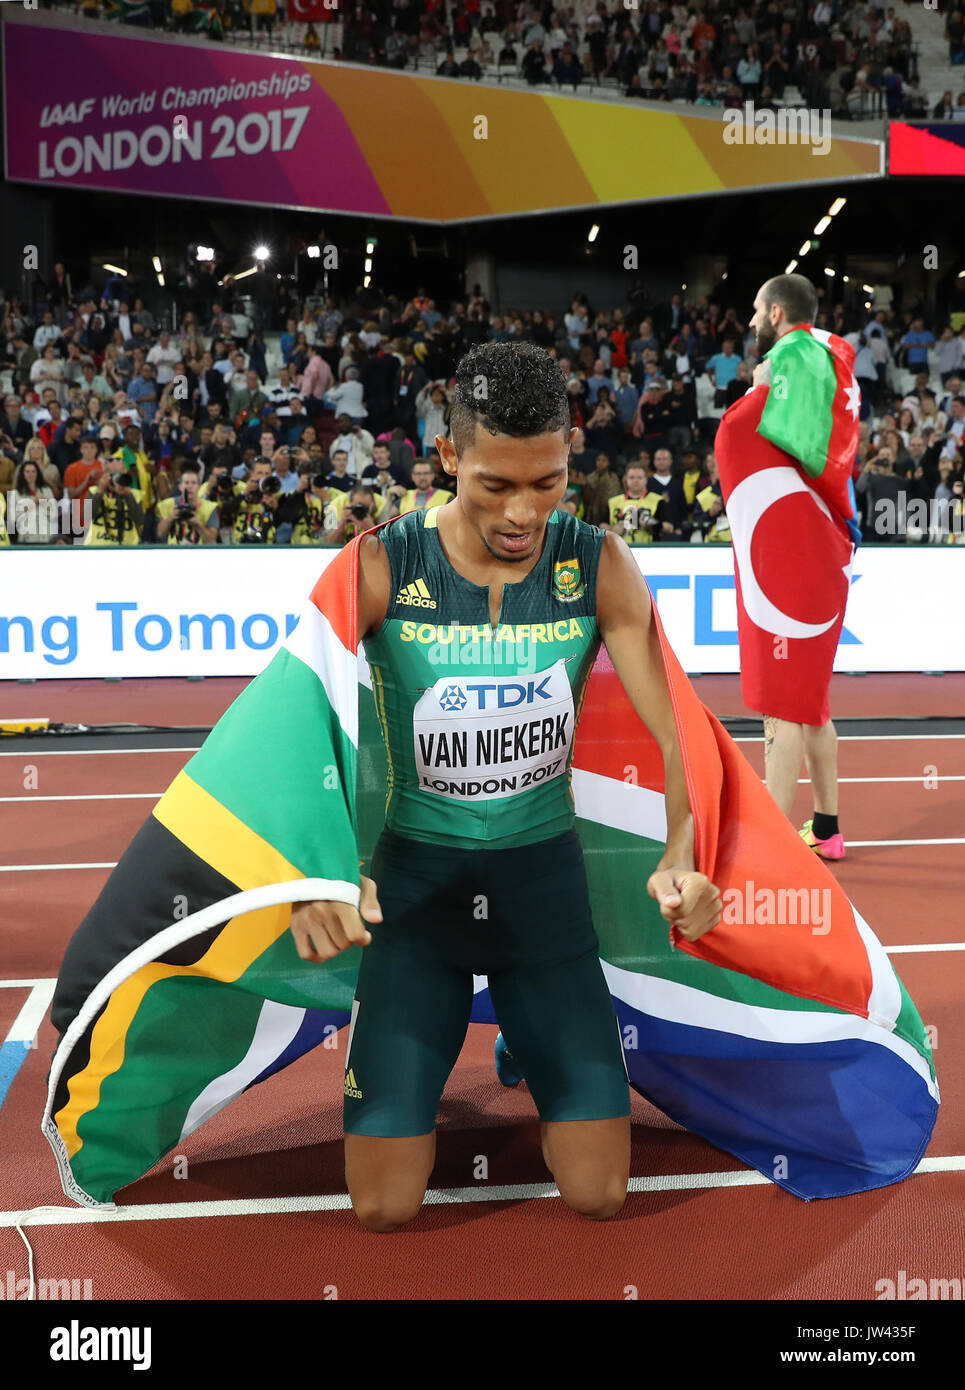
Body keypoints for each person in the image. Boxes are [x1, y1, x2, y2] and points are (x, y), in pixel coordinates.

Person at [289, 340, 721, 1232]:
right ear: (447, 457)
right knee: (381, 1209)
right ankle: (427, 1037)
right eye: (494, 485)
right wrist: (315, 871)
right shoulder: (377, 564)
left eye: (548, 482)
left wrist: (685, 853)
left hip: (541, 895)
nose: (524, 512)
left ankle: (529, 1037)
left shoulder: (595, 561)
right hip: (417, 899)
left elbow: (680, 730)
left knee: (600, 1197)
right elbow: (295, 728)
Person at [715, 273, 858, 861]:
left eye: (754, 310)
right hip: (809, 559)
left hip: (792, 567)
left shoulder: (795, 363)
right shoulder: (822, 373)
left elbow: (766, 430)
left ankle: (768, 849)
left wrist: (761, 386)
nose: (749, 322)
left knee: (781, 706)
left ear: (776, 313)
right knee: (811, 703)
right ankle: (826, 829)